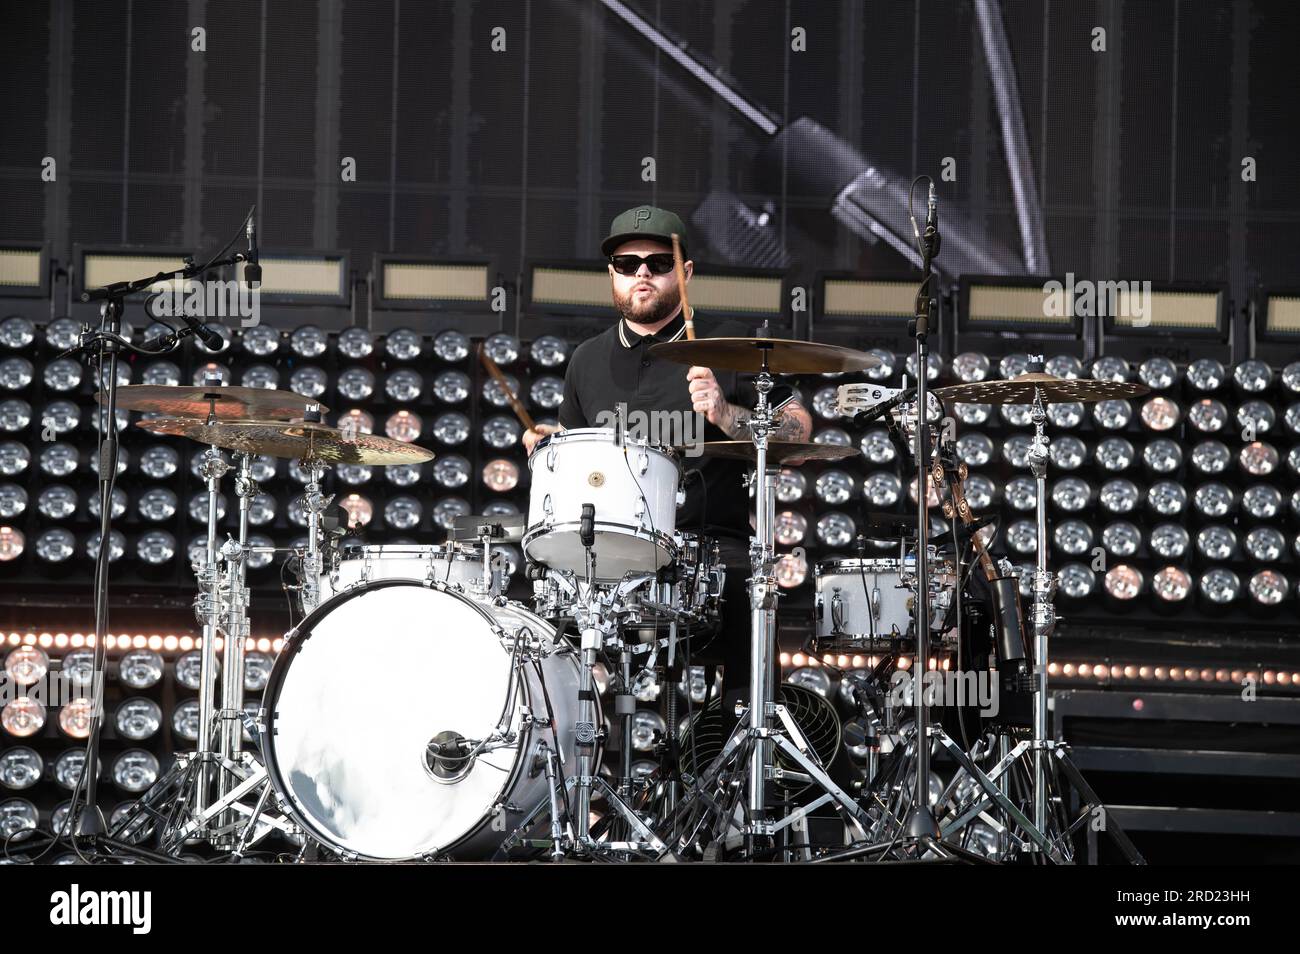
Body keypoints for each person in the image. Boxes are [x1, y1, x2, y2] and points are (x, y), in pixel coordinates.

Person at [522, 205, 812, 732]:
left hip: (711, 552)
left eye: (657, 262)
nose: (642, 274)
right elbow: (577, 460)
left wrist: (726, 414)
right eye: (627, 263)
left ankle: (735, 771)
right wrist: (550, 450)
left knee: (751, 601)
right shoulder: (587, 360)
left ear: (686, 273)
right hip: (611, 559)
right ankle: (578, 772)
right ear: (611, 274)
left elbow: (799, 429)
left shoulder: (728, 348)